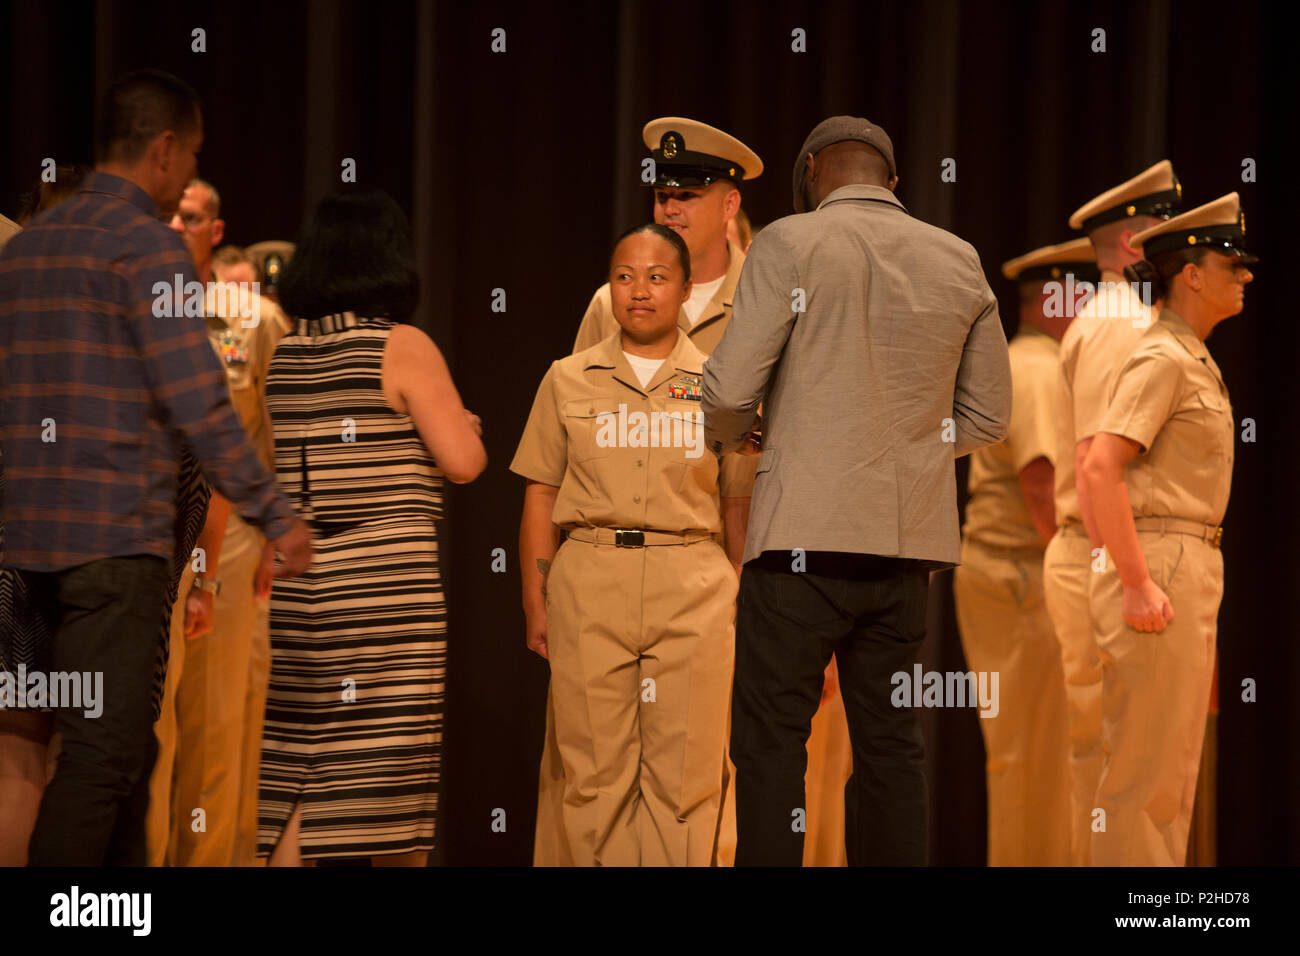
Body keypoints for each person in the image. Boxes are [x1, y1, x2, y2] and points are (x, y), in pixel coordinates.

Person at [0, 68, 311, 867]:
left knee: (42, 752)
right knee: (105, 760)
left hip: (22, 549)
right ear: (165, 151)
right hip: (111, 548)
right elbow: (199, 402)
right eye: (193, 153)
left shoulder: (28, 249)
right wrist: (275, 515)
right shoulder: (148, 249)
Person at [703, 115, 1012, 866]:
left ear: (810, 172)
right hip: (904, 550)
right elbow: (988, 417)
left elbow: (728, 390)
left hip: (797, 544)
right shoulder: (959, 258)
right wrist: (906, 448)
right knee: (891, 745)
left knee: (774, 741)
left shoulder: (789, 241)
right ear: (893, 183)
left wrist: (746, 432)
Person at [535, 117, 765, 866]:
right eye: (665, 194)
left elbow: (757, 470)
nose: (671, 208)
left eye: (690, 196)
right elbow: (574, 440)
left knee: (698, 775)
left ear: (730, 205)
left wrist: (751, 584)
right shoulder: (613, 303)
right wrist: (547, 588)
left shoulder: (767, 297)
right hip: (603, 572)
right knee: (592, 772)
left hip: (713, 563)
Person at [258, 188, 486, 866]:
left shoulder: (283, 353)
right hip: (385, 593)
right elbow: (465, 462)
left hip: (299, 587)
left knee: (296, 766)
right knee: (374, 778)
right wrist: (463, 423)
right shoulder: (402, 345)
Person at [1081, 192, 1252, 867]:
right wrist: (1136, 581)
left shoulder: (1192, 355)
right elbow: (1099, 467)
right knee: (1141, 782)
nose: (1245, 276)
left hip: (1187, 558)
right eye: (1231, 263)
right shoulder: (1163, 357)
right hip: (1158, 557)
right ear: (1192, 273)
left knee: (1171, 780)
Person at [145, 178, 295, 866]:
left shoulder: (249, 315)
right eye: (170, 215)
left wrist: (273, 533)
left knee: (217, 721)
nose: (179, 225)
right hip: (149, 520)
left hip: (230, 533)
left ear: (215, 228)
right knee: (145, 724)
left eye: (193, 217)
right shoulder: (142, 303)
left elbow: (282, 433)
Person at [1043, 160, 1181, 864]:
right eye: (1169, 229)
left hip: (1107, 554)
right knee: (1114, 765)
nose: (1184, 245)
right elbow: (1098, 467)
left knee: (1124, 762)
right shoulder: (1120, 325)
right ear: (1133, 246)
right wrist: (1122, 576)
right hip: (1100, 555)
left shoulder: (1130, 319)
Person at [954, 238, 1098, 866]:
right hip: (1025, 575)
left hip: (1019, 573)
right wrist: (1087, 577)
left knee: (1036, 754)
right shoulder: (1038, 366)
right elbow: (1041, 486)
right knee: (1033, 757)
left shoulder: (1032, 360)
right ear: (1059, 297)